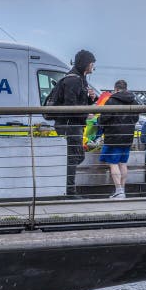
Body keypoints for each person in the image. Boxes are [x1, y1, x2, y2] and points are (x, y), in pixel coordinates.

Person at [53, 49, 98, 197]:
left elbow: (81, 102)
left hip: (74, 124)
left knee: (75, 156)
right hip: (70, 125)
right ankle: (69, 191)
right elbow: (71, 105)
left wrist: (91, 98)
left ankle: (66, 187)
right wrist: (86, 111)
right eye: (92, 64)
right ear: (85, 63)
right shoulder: (73, 80)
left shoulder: (80, 79)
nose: (93, 67)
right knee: (74, 157)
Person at [97, 80, 139, 199]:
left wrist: (99, 121)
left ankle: (119, 190)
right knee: (123, 163)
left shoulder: (111, 100)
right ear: (126, 88)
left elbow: (104, 118)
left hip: (113, 137)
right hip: (127, 137)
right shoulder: (133, 101)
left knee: (113, 163)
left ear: (115, 89)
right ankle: (122, 191)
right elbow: (136, 118)